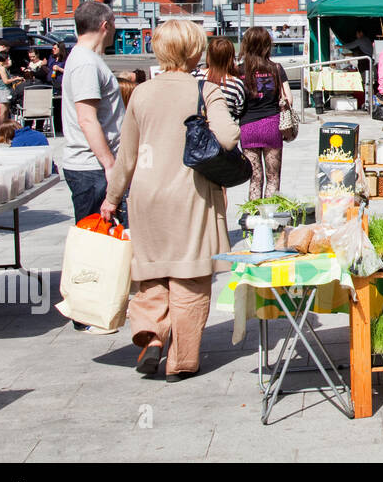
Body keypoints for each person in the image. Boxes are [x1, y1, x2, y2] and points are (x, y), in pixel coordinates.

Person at [100, 20, 241, 380]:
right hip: (189, 195)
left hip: (146, 196)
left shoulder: (142, 93)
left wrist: (112, 199)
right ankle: (181, 362)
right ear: (195, 51)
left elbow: (126, 155)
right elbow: (227, 137)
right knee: (189, 280)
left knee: (151, 275)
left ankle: (152, 336)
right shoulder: (205, 90)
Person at [61, 1, 124, 224]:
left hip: (93, 168)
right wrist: (109, 165)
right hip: (92, 169)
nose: (116, 29)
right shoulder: (86, 63)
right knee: (98, 241)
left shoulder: (86, 59)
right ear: (105, 25)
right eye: (115, 23)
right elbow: (87, 119)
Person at [239, 26, 291, 200]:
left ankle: (254, 220)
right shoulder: (276, 68)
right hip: (271, 126)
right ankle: (271, 218)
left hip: (248, 127)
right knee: (273, 177)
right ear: (267, 45)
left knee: (255, 178)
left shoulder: (239, 71)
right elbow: (288, 99)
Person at [194, 36, 246, 122]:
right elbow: (238, 111)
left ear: (209, 55)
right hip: (224, 131)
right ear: (230, 58)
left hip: (199, 130)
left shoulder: (196, 76)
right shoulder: (236, 84)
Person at [0, 47, 24, 123]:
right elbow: (6, 81)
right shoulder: (1, 69)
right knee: (3, 112)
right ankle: (2, 129)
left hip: (1, 90)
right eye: (7, 58)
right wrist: (16, 79)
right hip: (3, 91)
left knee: (6, 111)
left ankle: (5, 128)